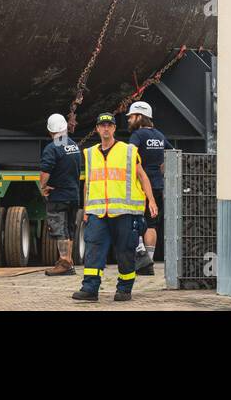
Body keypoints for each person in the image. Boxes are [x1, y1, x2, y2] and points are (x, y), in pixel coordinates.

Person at [72, 112, 158, 303]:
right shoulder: (90, 153)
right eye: (102, 126)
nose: (105, 128)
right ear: (97, 129)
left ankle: (124, 289)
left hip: (124, 212)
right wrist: (86, 209)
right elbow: (87, 183)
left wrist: (151, 201)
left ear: (113, 129)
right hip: (97, 212)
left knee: (125, 251)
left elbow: (142, 176)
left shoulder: (127, 151)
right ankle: (90, 289)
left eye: (109, 125)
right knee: (93, 249)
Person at [38, 112, 82, 276]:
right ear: (65, 127)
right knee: (69, 229)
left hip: (58, 196)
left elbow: (46, 171)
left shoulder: (52, 148)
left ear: (50, 131)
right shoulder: (73, 145)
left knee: (59, 229)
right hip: (73, 195)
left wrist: (42, 187)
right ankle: (68, 262)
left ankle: (64, 262)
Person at [126, 101, 166, 275]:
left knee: (133, 220)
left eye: (131, 117)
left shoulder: (137, 135)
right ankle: (148, 263)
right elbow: (169, 158)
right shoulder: (159, 136)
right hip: (157, 185)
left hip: (139, 187)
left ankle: (140, 256)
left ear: (139, 117)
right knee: (151, 225)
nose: (128, 120)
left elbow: (129, 157)